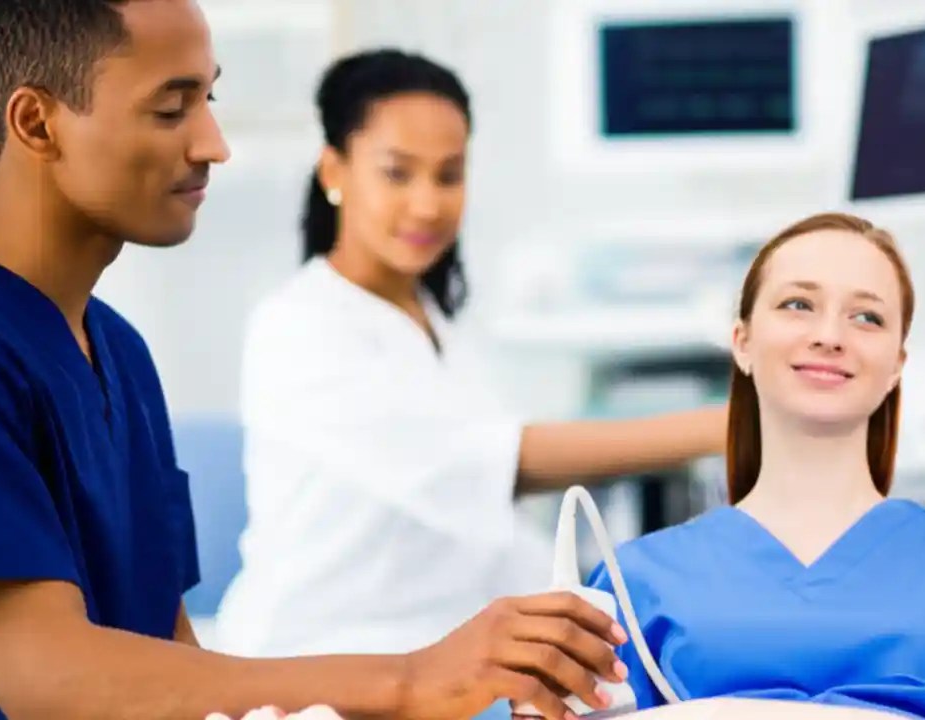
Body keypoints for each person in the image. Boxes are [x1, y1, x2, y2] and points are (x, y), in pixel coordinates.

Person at [0, 2, 629, 719]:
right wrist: (416, 679)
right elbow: (49, 678)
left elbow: (172, 661)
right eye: (171, 110)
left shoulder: (118, 351)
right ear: (36, 123)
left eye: (208, 100)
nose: (214, 145)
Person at [212, 49, 727, 660]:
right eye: (397, 174)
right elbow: (499, 464)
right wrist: (732, 425)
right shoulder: (299, 328)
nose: (428, 204)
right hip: (320, 657)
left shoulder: (433, 320)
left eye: (449, 175)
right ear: (334, 171)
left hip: (432, 645)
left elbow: (488, 538)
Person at [586, 213, 925, 718]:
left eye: (867, 317)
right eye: (798, 304)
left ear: (896, 366)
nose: (830, 336)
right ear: (742, 343)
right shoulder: (634, 582)